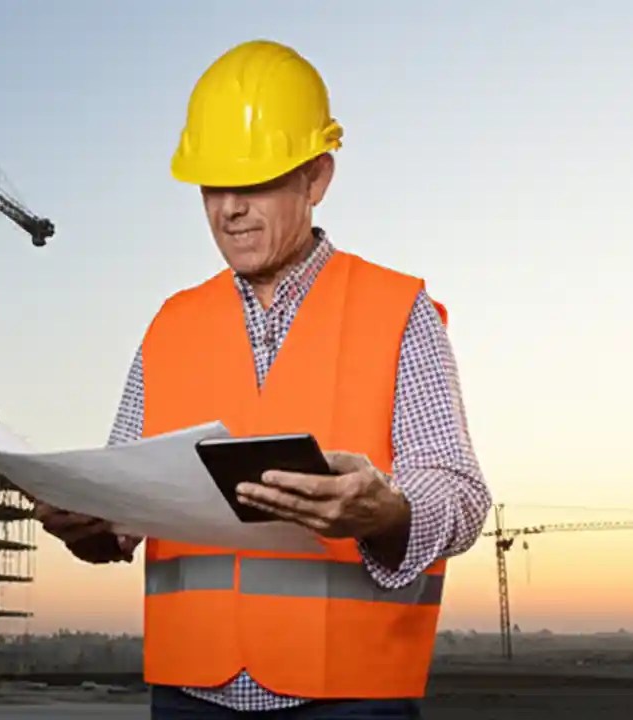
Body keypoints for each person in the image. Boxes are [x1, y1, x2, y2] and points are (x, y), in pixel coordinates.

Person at [34, 39, 492, 718]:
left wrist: (387, 511)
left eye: (254, 182)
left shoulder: (398, 311)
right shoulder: (170, 326)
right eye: (214, 186)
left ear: (316, 177)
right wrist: (89, 522)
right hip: (190, 694)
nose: (229, 209)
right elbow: (125, 508)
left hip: (350, 696)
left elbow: (457, 493)